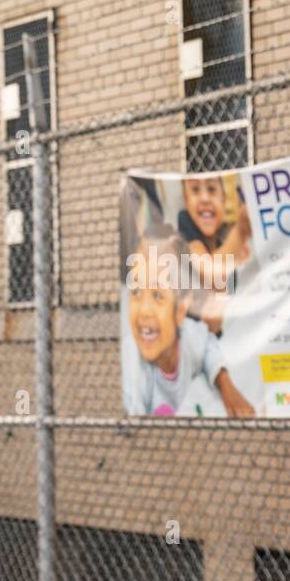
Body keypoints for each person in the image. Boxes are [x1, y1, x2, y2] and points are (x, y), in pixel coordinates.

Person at [123, 225, 256, 418]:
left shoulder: (190, 335)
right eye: (136, 291)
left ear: (181, 309)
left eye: (157, 295)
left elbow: (208, 348)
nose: (144, 310)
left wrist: (227, 386)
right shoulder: (134, 362)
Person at [178, 175, 252, 334]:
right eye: (195, 190)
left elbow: (223, 308)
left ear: (223, 200)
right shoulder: (184, 224)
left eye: (211, 189)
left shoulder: (225, 243)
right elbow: (209, 271)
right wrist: (240, 232)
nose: (205, 198)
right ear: (185, 200)